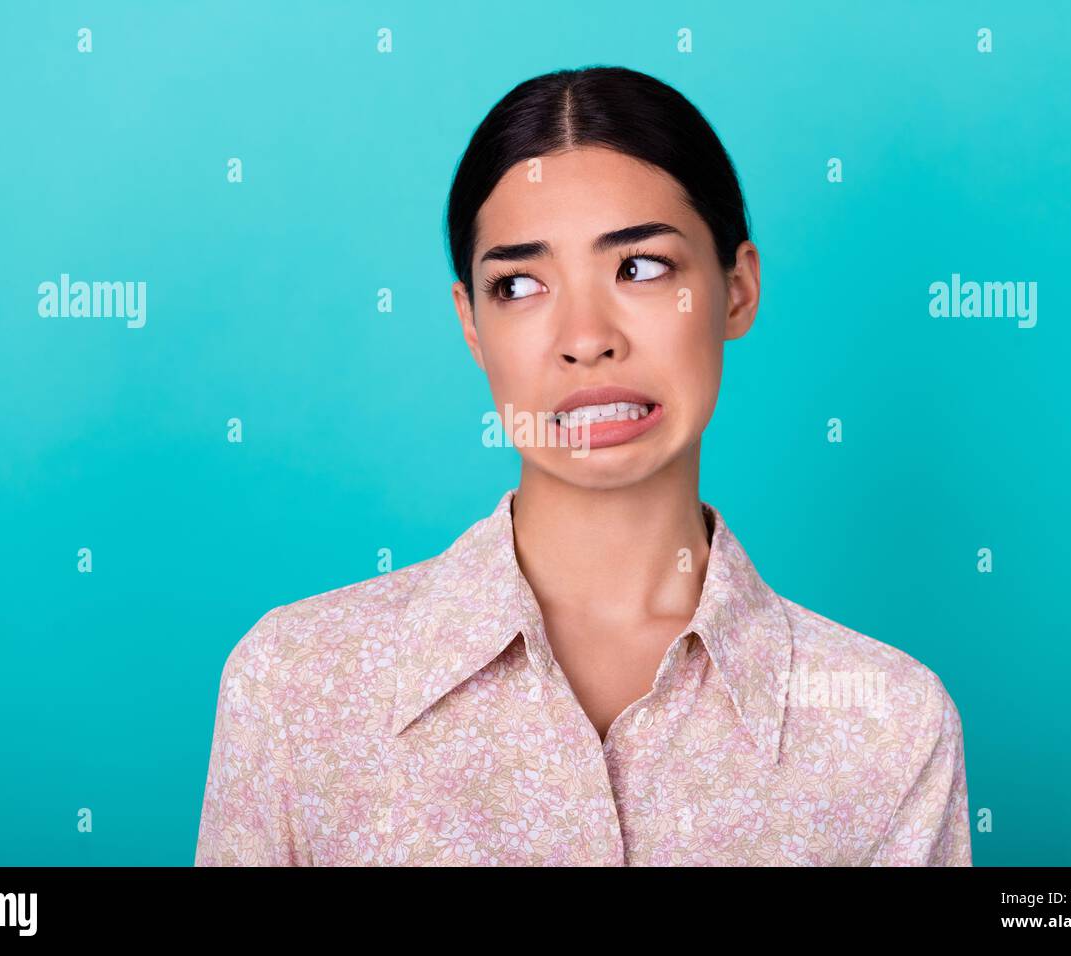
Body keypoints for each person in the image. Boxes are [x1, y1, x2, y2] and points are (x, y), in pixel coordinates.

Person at [195, 65, 972, 866]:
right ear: (471, 325)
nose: (585, 336)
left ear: (736, 290)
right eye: (521, 283)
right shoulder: (295, 686)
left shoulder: (886, 725)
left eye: (640, 268)